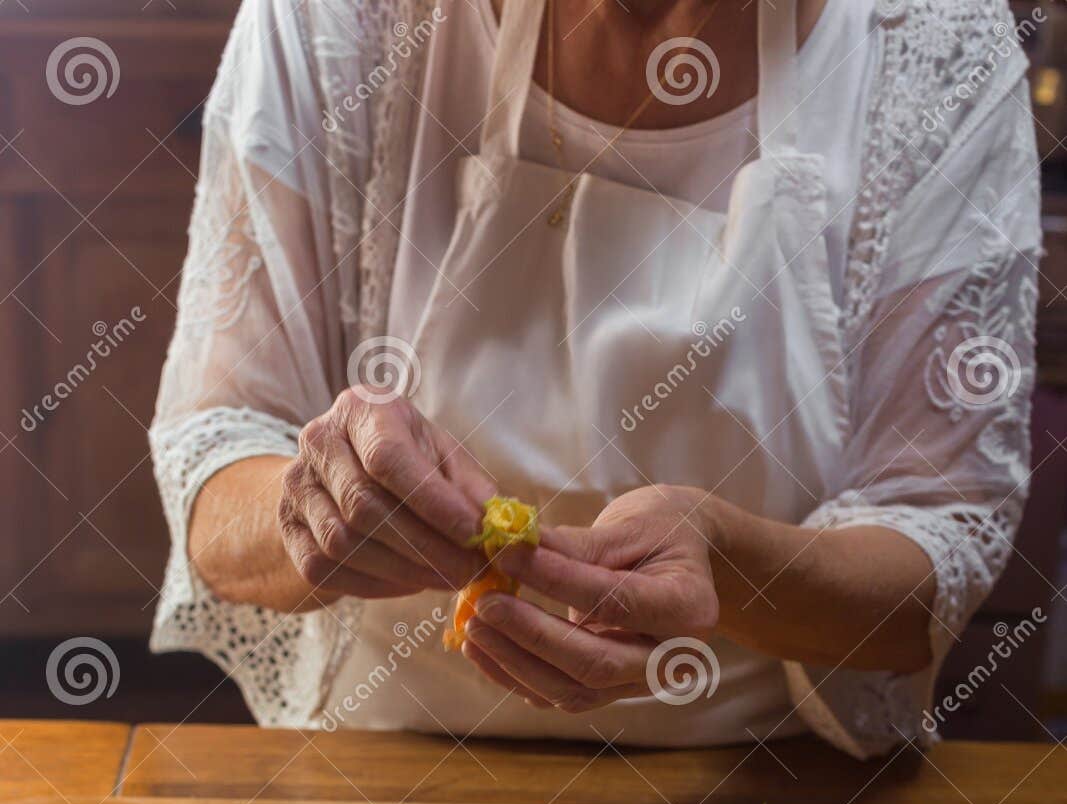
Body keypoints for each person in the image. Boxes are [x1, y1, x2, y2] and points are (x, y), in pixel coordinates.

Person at [150, 0, 1041, 756]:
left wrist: (728, 567)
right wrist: (320, 503)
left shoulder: (931, 43)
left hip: (756, 789)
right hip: (381, 764)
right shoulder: (333, 21)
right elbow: (216, 472)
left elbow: (937, 542)